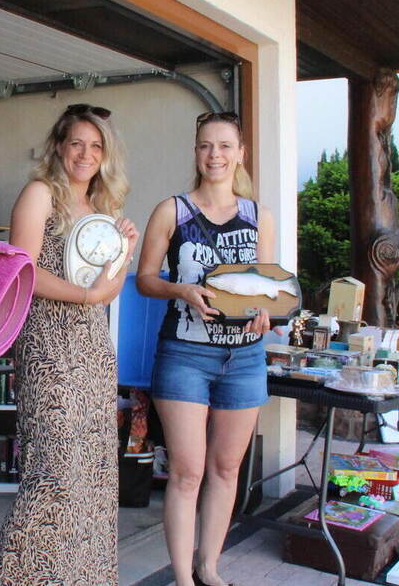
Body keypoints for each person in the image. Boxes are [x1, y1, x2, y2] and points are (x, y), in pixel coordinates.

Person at [0, 104, 138, 585]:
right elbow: (22, 271)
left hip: (92, 348)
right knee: (55, 468)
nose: (86, 154)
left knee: (93, 472)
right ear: (58, 146)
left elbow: (108, 290)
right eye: (77, 143)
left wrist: (125, 253)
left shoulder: (104, 211)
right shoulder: (39, 195)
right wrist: (87, 295)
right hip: (46, 344)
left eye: (96, 146)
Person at [134, 111, 275, 586]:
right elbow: (145, 279)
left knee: (226, 468)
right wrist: (181, 290)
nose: (215, 155)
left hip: (246, 357)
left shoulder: (258, 216)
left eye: (224, 146)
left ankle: (209, 567)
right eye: (205, 146)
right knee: (187, 472)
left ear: (240, 154)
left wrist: (265, 313)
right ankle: (182, 578)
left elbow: (266, 287)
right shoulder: (172, 211)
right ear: (196, 152)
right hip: (185, 355)